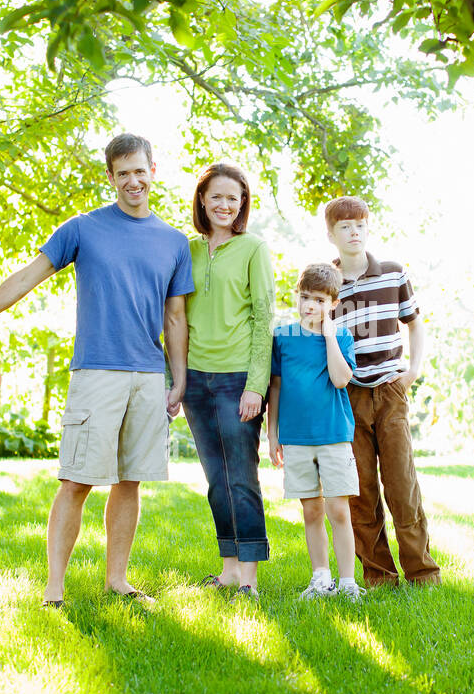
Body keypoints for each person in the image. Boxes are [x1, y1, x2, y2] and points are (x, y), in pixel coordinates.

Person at [0, 133, 194, 606]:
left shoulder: (174, 242)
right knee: (76, 480)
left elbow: (175, 316)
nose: (133, 181)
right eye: (123, 173)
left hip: (147, 375)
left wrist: (177, 378)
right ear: (110, 177)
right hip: (96, 373)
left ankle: (117, 580)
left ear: (153, 171)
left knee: (129, 481)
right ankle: (54, 588)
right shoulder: (82, 229)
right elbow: (24, 278)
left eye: (140, 171)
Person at [326, 196, 442, 587]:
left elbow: (415, 323)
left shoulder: (393, 274)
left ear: (368, 228)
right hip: (348, 397)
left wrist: (412, 371)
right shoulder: (328, 282)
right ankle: (379, 576)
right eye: (345, 226)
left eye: (360, 224)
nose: (354, 231)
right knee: (360, 491)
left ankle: (422, 573)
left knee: (401, 485)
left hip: (390, 392)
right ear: (332, 234)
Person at [182, 163, 275, 599]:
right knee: (216, 479)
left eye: (232, 198)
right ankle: (229, 571)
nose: (224, 205)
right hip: (196, 381)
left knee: (241, 475)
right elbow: (175, 316)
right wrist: (176, 379)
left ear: (242, 205)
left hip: (238, 377)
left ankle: (250, 579)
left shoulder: (254, 248)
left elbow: (264, 318)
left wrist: (256, 384)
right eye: (216, 196)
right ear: (202, 199)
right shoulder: (189, 250)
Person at [266, 264, 365, 601]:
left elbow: (341, 379)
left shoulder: (342, 336)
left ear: (333, 304)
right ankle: (320, 578)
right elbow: (275, 388)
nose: (310, 305)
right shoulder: (283, 337)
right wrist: (272, 434)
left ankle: (348, 582)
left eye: (320, 300)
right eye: (305, 297)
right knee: (311, 510)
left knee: (338, 509)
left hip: (334, 434)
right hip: (296, 437)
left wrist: (327, 336)